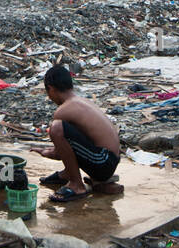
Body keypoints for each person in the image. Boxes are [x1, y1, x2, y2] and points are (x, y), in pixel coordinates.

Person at [30, 64, 121, 203]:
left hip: (104, 162)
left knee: (56, 128)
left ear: (51, 89)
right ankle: (68, 173)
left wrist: (46, 152)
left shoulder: (63, 110)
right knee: (64, 129)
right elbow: (73, 145)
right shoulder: (80, 101)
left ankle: (76, 185)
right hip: (109, 159)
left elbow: (61, 152)